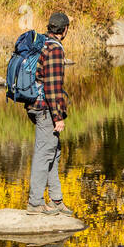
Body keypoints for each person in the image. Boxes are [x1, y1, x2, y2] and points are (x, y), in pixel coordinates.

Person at [26, 12, 74, 216]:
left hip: (35, 105)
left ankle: (56, 199)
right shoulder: (54, 50)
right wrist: (58, 117)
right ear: (64, 31)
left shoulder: (42, 43)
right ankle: (35, 203)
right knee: (44, 154)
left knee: (53, 152)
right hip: (46, 109)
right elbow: (52, 86)